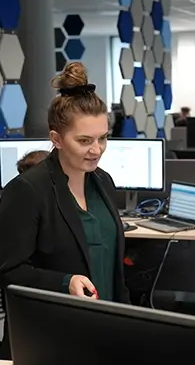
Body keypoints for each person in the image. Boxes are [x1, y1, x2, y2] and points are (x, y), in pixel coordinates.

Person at [0, 62, 130, 359]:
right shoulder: (27, 190)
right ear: (56, 139)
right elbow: (7, 272)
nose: (96, 150)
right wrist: (64, 282)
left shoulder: (103, 182)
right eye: (84, 141)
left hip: (108, 328)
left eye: (103, 138)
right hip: (52, 335)